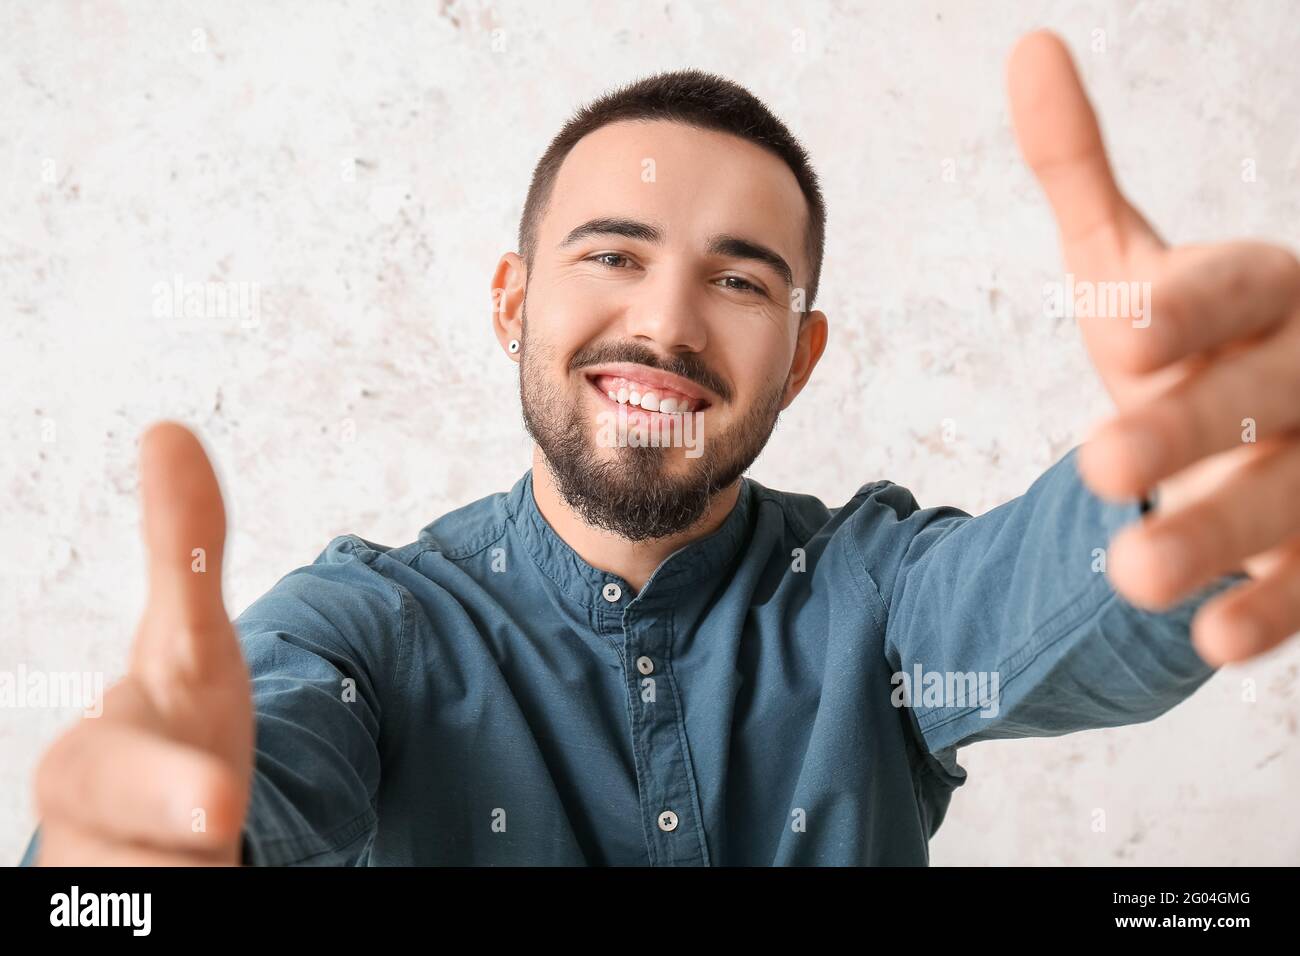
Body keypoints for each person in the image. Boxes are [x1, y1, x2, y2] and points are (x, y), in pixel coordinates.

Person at [22, 32, 1300, 865]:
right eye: (614, 254)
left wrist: (1198, 466)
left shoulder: (878, 592)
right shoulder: (364, 630)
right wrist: (113, 875)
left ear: (799, 357)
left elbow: (1050, 589)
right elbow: (207, 805)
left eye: (741, 281)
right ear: (512, 300)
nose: (667, 324)